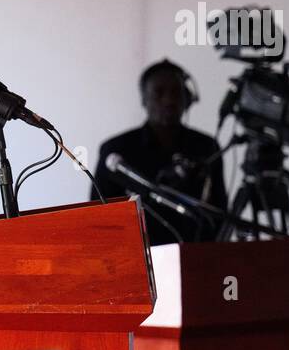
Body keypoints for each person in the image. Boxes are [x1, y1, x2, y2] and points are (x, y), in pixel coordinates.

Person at [92, 59, 227, 245]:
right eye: (159, 92)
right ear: (144, 100)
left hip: (196, 259)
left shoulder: (206, 146)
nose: (169, 100)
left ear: (187, 99)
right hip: (137, 262)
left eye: (176, 92)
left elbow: (220, 211)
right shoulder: (115, 150)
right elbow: (99, 217)